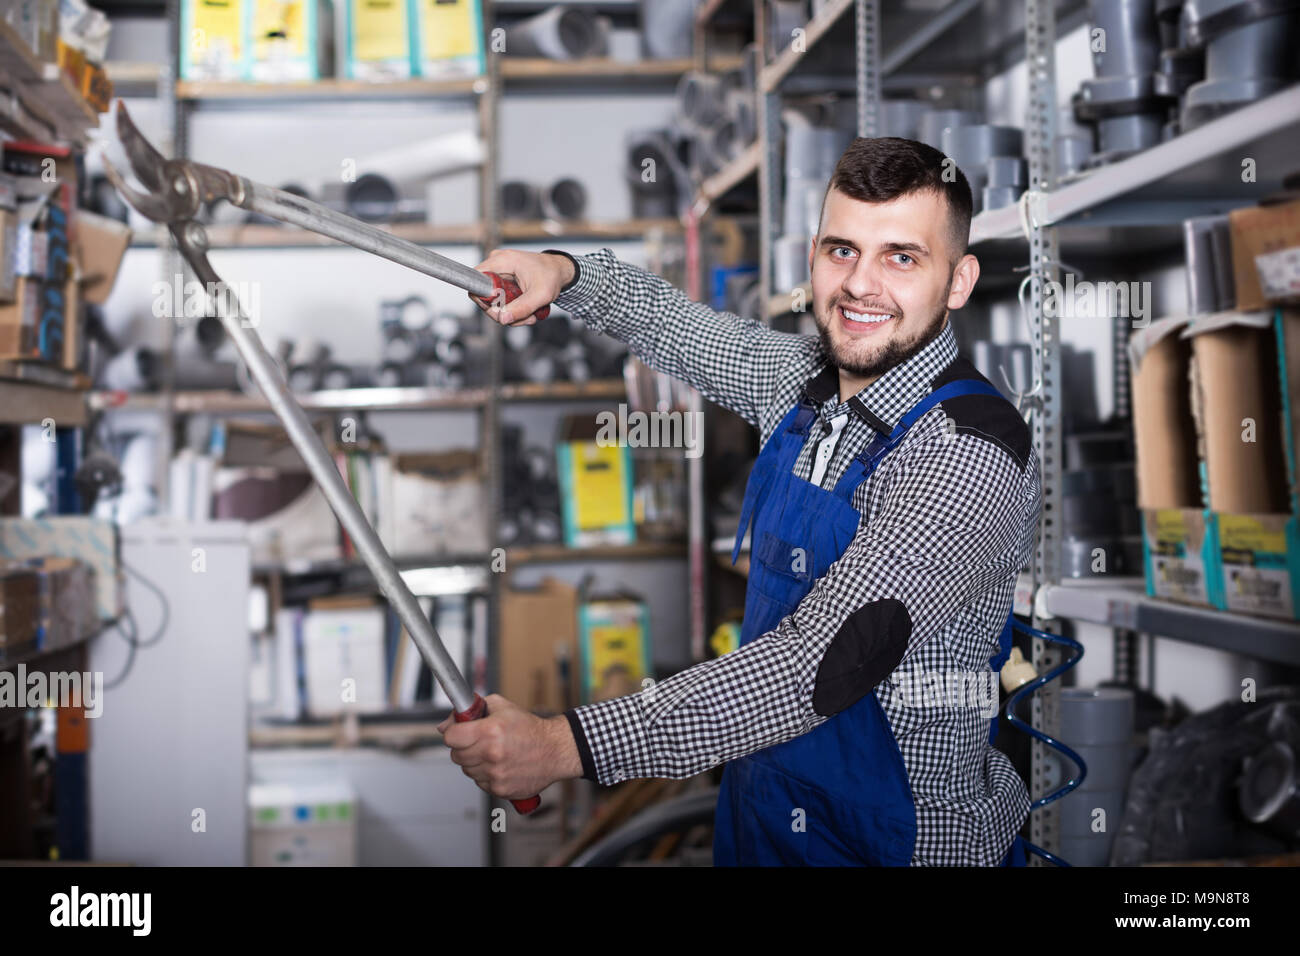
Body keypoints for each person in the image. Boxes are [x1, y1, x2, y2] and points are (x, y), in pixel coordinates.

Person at [440, 137, 1040, 866]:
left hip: (895, 845)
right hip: (763, 818)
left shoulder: (967, 452)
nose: (861, 285)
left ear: (958, 280)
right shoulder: (801, 383)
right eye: (841, 251)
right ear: (813, 255)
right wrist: (562, 273)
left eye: (902, 258)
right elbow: (670, 324)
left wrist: (564, 745)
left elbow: (814, 663)